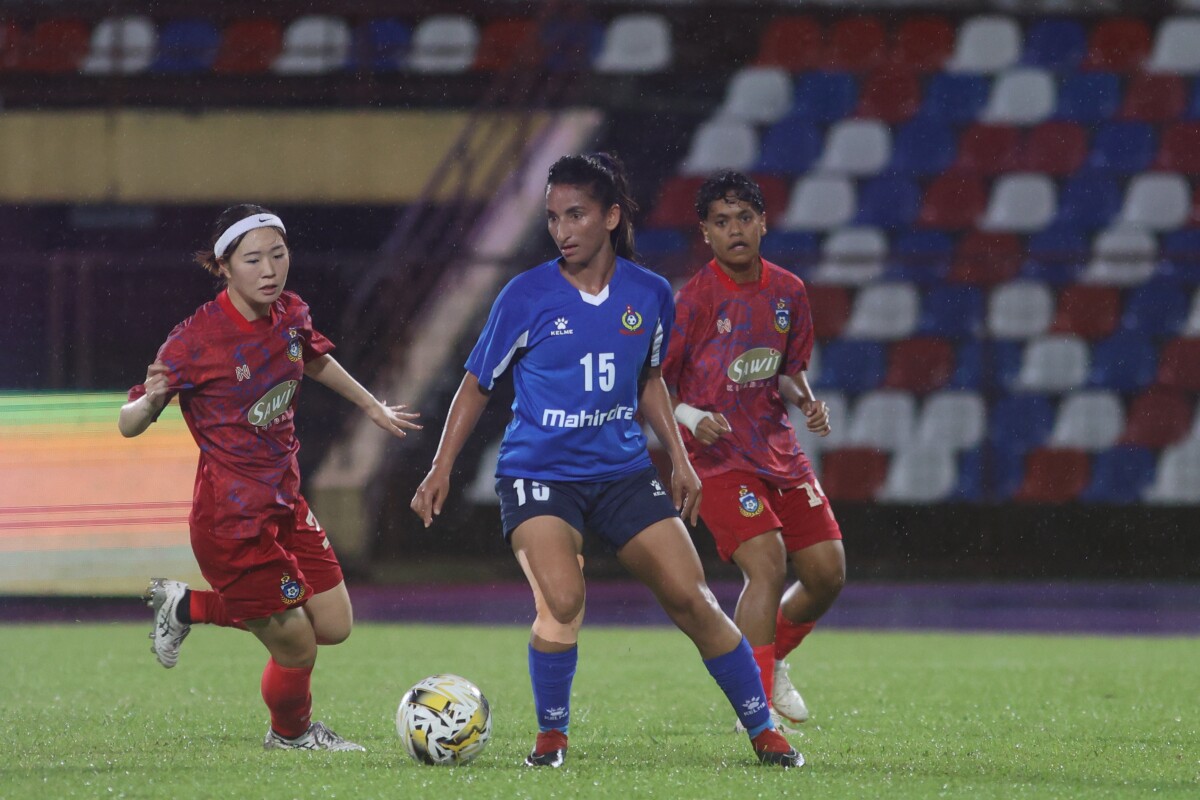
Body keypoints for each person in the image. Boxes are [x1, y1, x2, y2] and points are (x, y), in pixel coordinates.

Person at [410, 153, 803, 769]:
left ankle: (764, 732)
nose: (562, 229)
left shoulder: (648, 294)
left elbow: (648, 380)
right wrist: (441, 467)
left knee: (693, 597)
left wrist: (680, 458)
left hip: (621, 472)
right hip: (538, 474)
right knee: (563, 601)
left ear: (611, 216)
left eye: (576, 214)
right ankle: (551, 739)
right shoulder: (525, 294)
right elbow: (477, 383)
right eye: (552, 217)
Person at [119, 204, 420, 751]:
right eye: (253, 258)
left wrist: (372, 406)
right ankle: (291, 735)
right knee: (298, 646)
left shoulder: (291, 313)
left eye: (278, 254)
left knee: (333, 624)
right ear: (223, 267)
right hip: (233, 525)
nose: (269, 269)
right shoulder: (194, 342)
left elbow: (312, 356)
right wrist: (152, 403)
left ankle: (186, 606)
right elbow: (127, 423)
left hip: (286, 504)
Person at [661, 171, 845, 731]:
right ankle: (755, 705)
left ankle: (775, 660)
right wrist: (692, 418)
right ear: (706, 233)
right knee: (765, 565)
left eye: (744, 218)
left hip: (777, 449)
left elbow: (788, 372)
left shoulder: (789, 291)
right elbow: (652, 388)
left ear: (764, 223)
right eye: (722, 222)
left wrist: (807, 400)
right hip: (716, 461)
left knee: (827, 574)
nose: (735, 230)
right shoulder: (692, 302)